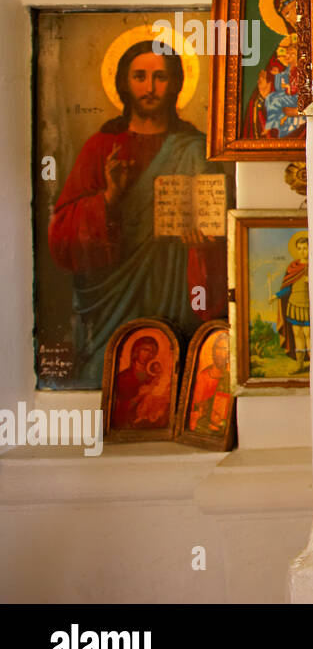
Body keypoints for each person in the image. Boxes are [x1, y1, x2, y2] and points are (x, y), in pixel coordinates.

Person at [48, 42, 226, 390]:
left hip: (178, 281)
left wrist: (205, 247)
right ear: (123, 83)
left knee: (178, 376)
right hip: (115, 296)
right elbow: (61, 237)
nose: (150, 87)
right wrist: (110, 197)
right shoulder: (101, 148)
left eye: (160, 77)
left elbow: (224, 227)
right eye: (140, 76)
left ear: (176, 83)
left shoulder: (196, 148)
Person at [243, 0, 304, 139]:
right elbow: (262, 98)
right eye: (287, 13)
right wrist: (263, 97)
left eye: (296, 7)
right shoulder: (282, 52)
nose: (293, 18)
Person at [111, 336, 170, 429]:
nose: (148, 355)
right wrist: (140, 396)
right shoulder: (124, 376)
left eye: (152, 352)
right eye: (145, 350)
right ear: (136, 351)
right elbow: (119, 408)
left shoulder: (154, 377)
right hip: (128, 424)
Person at [273, 232, 309, 373]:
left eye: (305, 248)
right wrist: (277, 295)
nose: (302, 251)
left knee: (309, 334)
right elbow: (287, 287)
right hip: (294, 305)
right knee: (297, 334)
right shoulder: (293, 266)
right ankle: (299, 365)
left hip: (308, 306)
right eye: (299, 248)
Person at [189, 330, 233, 434]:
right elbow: (196, 408)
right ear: (213, 351)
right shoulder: (203, 377)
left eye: (224, 349)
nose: (220, 353)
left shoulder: (229, 378)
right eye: (218, 348)